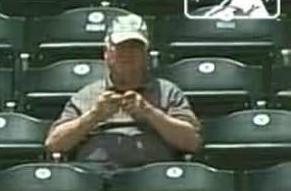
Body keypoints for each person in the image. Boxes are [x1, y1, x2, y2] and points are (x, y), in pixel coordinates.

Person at [43, 14, 200, 170]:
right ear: (106, 52)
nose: (128, 53)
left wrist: (149, 112)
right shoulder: (86, 95)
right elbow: (54, 144)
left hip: (152, 176)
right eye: (120, 46)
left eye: (135, 47)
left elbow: (191, 142)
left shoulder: (167, 92)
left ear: (146, 54)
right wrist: (94, 115)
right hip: (95, 176)